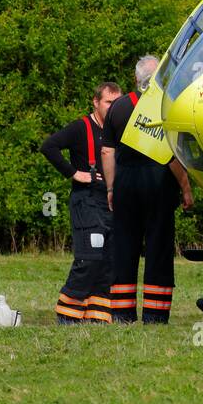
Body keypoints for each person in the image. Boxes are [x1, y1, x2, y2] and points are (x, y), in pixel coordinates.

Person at [100, 55, 195, 324]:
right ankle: (155, 314)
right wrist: (186, 189)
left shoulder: (118, 107)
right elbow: (173, 157)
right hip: (159, 183)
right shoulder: (166, 108)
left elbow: (107, 151)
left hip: (125, 184)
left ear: (135, 80)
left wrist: (110, 188)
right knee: (158, 247)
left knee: (124, 248)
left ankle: (122, 314)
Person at [40, 82, 122, 324]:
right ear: (95, 102)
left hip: (110, 202)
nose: (113, 107)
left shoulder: (119, 129)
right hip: (86, 201)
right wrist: (73, 172)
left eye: (117, 103)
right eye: (108, 102)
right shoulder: (80, 127)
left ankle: (98, 316)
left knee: (108, 260)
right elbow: (49, 146)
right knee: (90, 256)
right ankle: (68, 315)